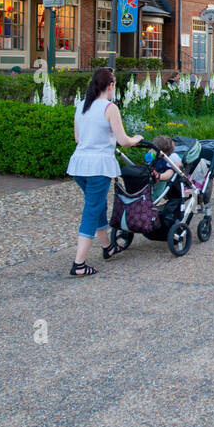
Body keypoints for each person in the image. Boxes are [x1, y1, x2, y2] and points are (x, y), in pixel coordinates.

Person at [63, 67, 143, 277]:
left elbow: (79, 139)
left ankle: (107, 247)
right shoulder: (110, 108)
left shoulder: (81, 106)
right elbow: (123, 141)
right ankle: (79, 264)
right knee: (92, 209)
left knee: (97, 204)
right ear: (110, 86)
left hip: (79, 165)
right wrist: (137, 139)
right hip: (98, 166)